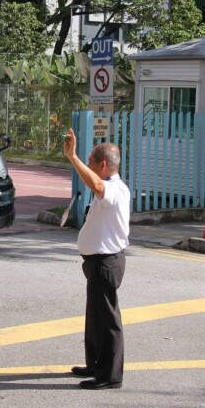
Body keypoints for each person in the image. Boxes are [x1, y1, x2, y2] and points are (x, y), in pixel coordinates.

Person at [62, 128, 130, 390]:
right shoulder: (109, 188)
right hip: (97, 262)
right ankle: (95, 364)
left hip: (106, 262)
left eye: (90, 162)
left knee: (107, 320)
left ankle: (110, 375)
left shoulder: (114, 189)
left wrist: (73, 158)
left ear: (103, 165)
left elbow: (97, 185)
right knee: (95, 317)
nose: (87, 167)